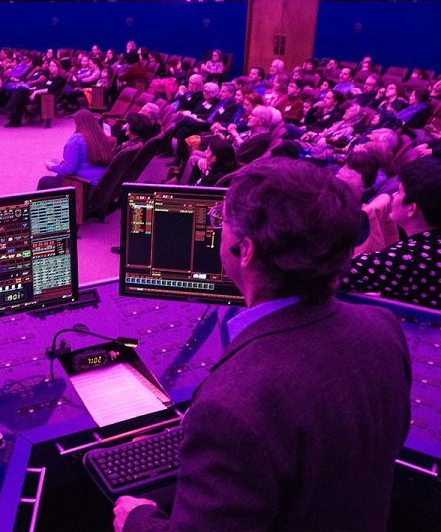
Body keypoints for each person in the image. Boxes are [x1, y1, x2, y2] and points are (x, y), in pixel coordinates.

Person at [114, 157, 411, 531]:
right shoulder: (381, 328)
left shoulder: (230, 404)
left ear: (246, 250)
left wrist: (138, 518)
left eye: (221, 223)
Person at [341, 156, 441, 308]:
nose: (392, 196)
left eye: (399, 192)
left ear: (411, 209)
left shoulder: (409, 257)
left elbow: (332, 275)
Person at [37, 110, 113, 189]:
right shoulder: (102, 138)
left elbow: (69, 169)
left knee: (44, 181)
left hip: (83, 186)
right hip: (99, 185)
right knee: (59, 175)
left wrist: (52, 167)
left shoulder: (76, 141)